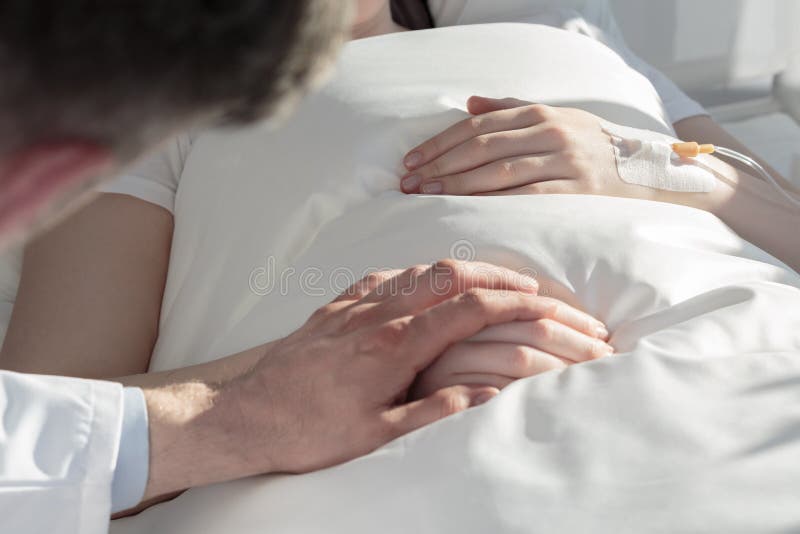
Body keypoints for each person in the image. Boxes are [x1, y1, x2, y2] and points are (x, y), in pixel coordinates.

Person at [0, 2, 580, 533]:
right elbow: (50, 406)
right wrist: (263, 400)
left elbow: (673, 156)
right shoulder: (149, 98)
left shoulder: (578, 55)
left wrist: (649, 168)